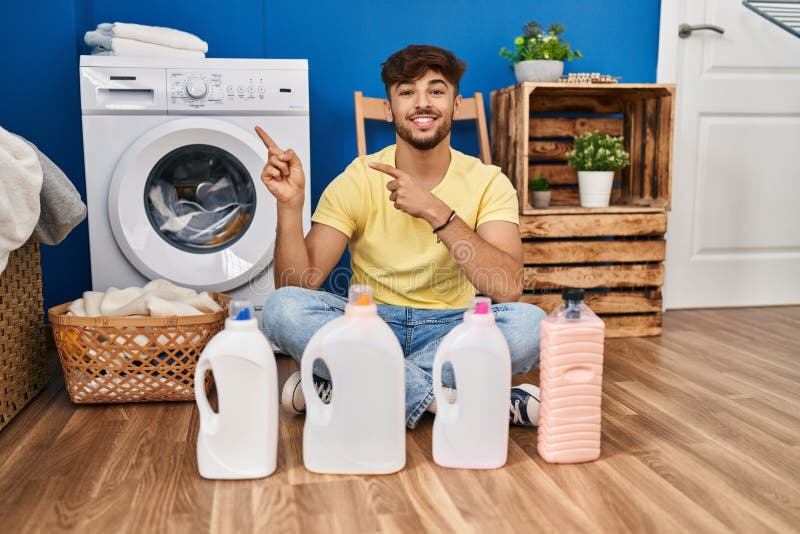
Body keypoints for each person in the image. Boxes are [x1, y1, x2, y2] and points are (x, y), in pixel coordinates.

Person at [258, 44, 545, 430]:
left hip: (455, 328)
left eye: (436, 91)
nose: (422, 103)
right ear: (389, 109)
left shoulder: (488, 182)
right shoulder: (359, 178)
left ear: (456, 105)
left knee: (530, 324)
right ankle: (450, 402)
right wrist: (290, 207)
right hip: (369, 326)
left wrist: (436, 212)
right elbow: (298, 285)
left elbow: (507, 289)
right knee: (281, 308)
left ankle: (349, 385)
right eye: (407, 92)